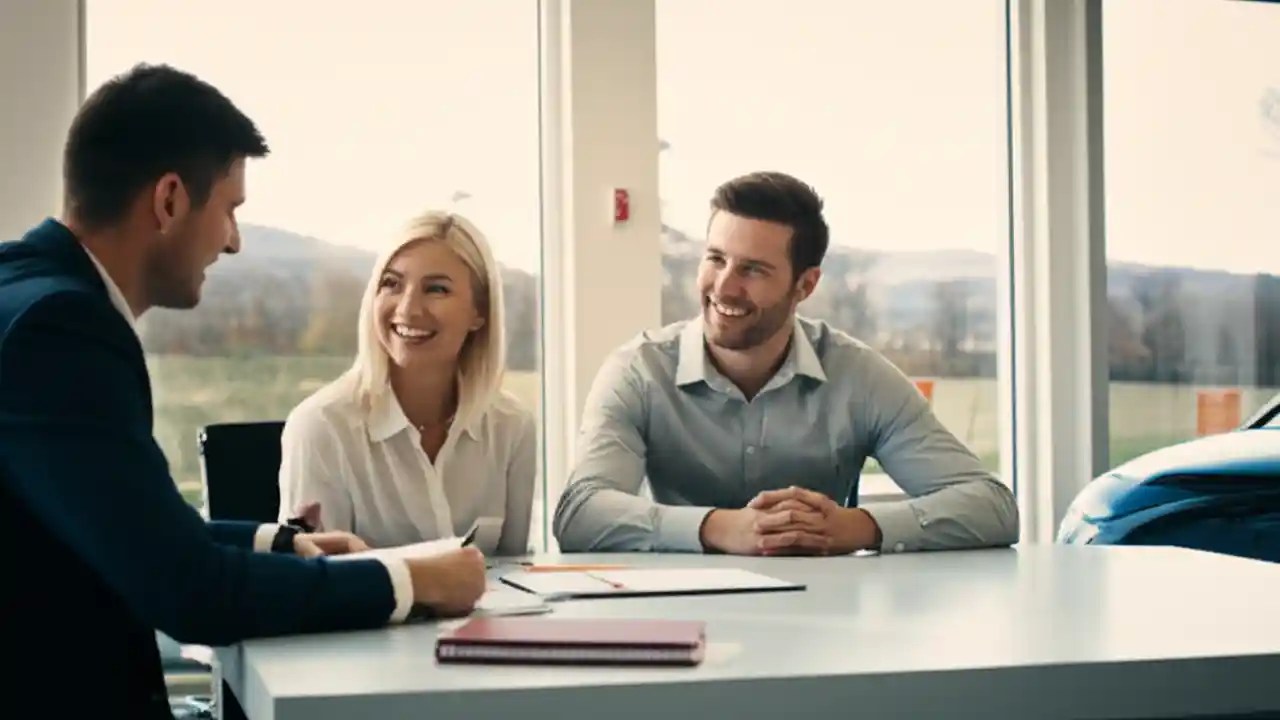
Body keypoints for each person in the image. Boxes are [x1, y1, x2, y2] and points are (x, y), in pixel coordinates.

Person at [0, 64, 485, 717]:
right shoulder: (61, 330)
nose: (232, 241)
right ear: (170, 200)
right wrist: (409, 579)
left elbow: (137, 524)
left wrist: (278, 541)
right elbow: (188, 591)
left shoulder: (26, 295)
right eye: (229, 209)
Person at [553, 171, 1018, 556]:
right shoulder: (639, 370)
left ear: (806, 285)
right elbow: (580, 514)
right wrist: (718, 528)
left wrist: (854, 528)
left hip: (824, 623)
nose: (725, 287)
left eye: (753, 270)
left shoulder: (858, 376)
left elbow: (993, 507)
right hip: (675, 616)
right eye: (716, 259)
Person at [277, 211, 536, 554]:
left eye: (436, 289)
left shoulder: (513, 428)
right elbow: (315, 586)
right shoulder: (320, 427)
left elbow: (516, 575)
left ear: (479, 312)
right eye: (392, 284)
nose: (408, 308)